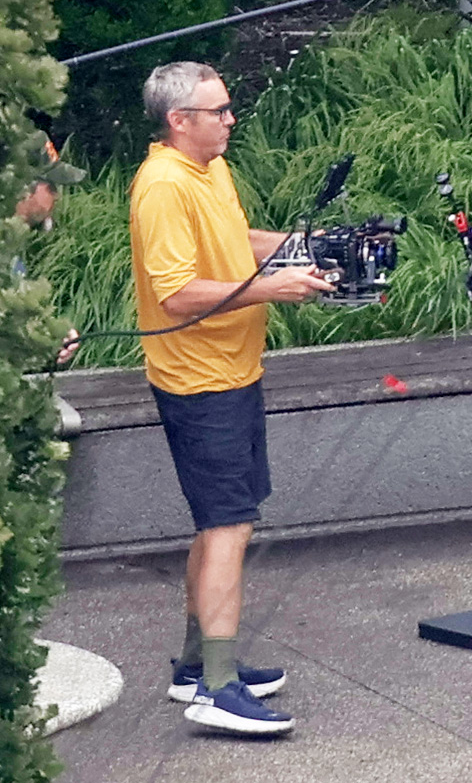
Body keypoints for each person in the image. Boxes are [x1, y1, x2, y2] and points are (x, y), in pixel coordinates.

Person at [130, 62, 334, 735]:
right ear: (178, 121)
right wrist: (272, 288)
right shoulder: (163, 186)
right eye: (217, 111)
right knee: (228, 526)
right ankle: (217, 689)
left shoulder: (210, 167)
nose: (230, 119)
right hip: (199, 381)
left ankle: (196, 666)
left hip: (233, 370)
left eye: (227, 107)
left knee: (217, 523)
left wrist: (304, 251)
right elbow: (176, 293)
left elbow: (232, 242)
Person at [12, 130, 85, 365]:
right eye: (52, 188)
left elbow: (14, 306)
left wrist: (50, 330)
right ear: (25, 188)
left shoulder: (10, 241)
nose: (58, 197)